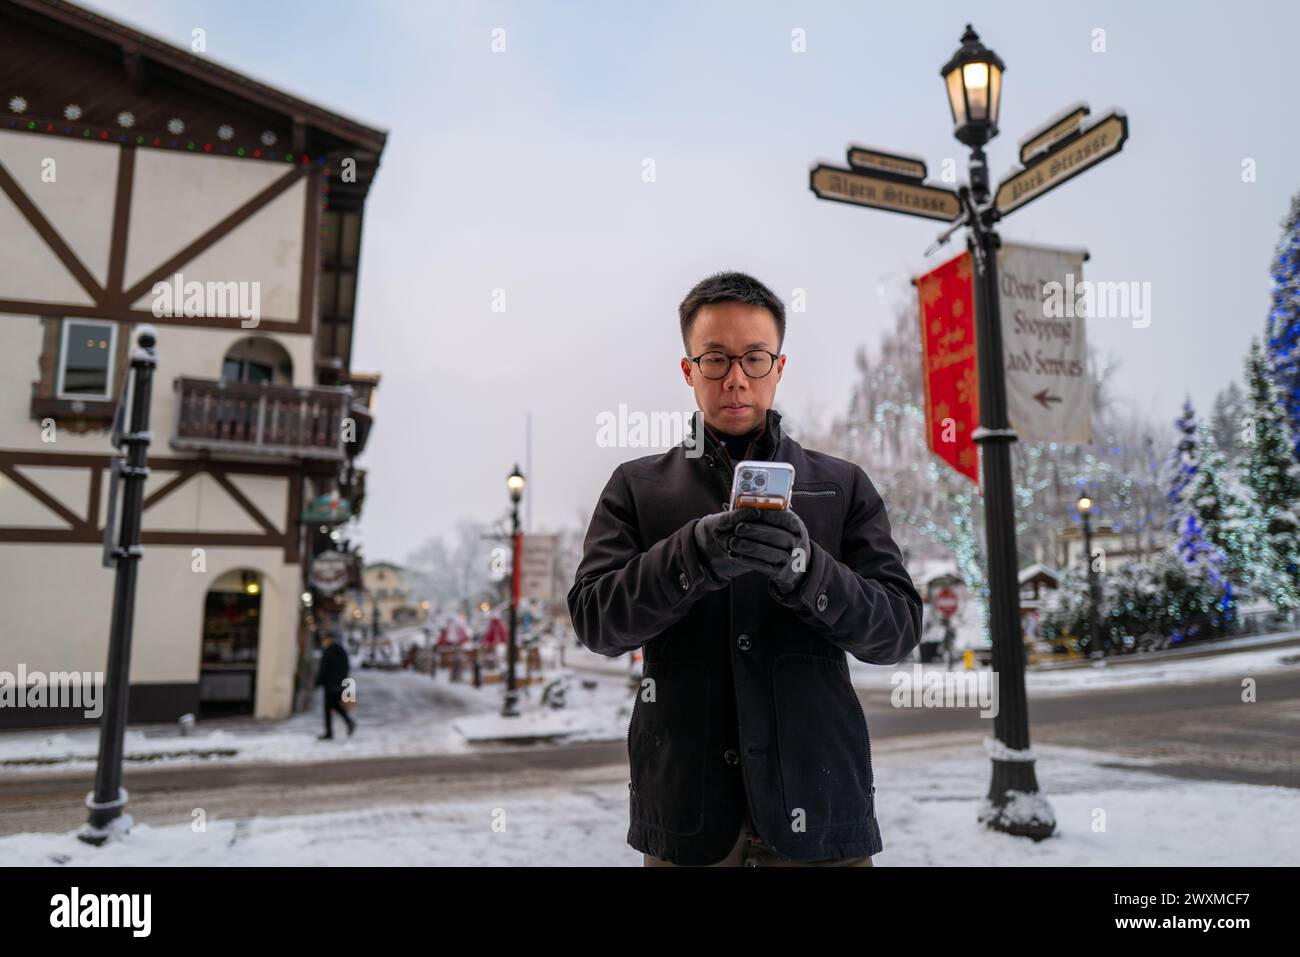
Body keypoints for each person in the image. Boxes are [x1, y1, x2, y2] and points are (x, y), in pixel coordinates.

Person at [567, 271, 922, 866]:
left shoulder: (842, 486)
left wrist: (807, 572)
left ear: (779, 367)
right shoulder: (637, 487)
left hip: (821, 804)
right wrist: (693, 555)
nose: (736, 378)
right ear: (688, 370)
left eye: (755, 358)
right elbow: (597, 623)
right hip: (688, 813)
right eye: (715, 359)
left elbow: (897, 632)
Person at [316, 632, 356, 740]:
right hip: (337, 683)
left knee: (329, 707)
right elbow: (345, 667)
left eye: (324, 640)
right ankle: (348, 723)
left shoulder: (330, 651)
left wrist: (319, 681)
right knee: (334, 706)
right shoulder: (339, 650)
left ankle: (330, 732)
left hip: (331, 684)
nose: (323, 642)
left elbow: (325, 668)